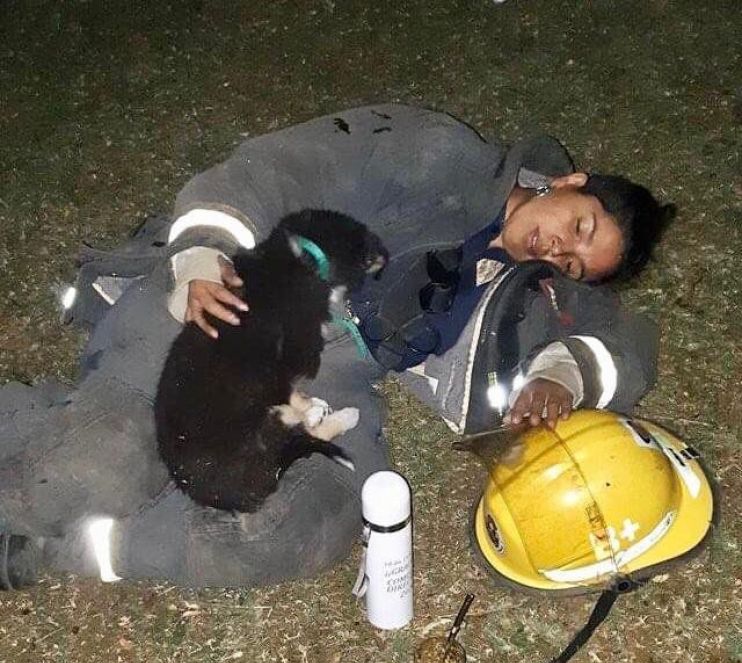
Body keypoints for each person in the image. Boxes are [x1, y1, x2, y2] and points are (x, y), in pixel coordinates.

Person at [0, 104, 672, 590]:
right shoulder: (442, 153)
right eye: (578, 227)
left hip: (329, 384)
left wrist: (562, 374)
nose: (560, 251)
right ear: (570, 183)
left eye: (577, 264)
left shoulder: (532, 288)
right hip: (236, 306)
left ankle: (62, 545)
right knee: (101, 471)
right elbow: (281, 170)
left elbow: (623, 343)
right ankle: (71, 447)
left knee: (298, 526)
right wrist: (205, 254)